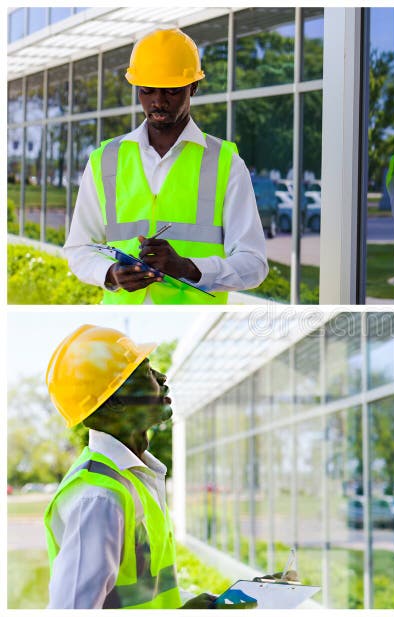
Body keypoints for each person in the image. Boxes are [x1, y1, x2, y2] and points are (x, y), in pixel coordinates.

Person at [64, 28, 268, 304]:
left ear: (193, 87)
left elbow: (254, 264)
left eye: (171, 91)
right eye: (147, 90)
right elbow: (79, 248)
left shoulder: (226, 163)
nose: (158, 101)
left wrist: (187, 268)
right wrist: (110, 273)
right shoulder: (105, 159)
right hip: (121, 323)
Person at [43, 324, 217, 608]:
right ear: (114, 402)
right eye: (146, 371)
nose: (162, 377)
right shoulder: (98, 497)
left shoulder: (136, 479)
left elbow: (141, 594)